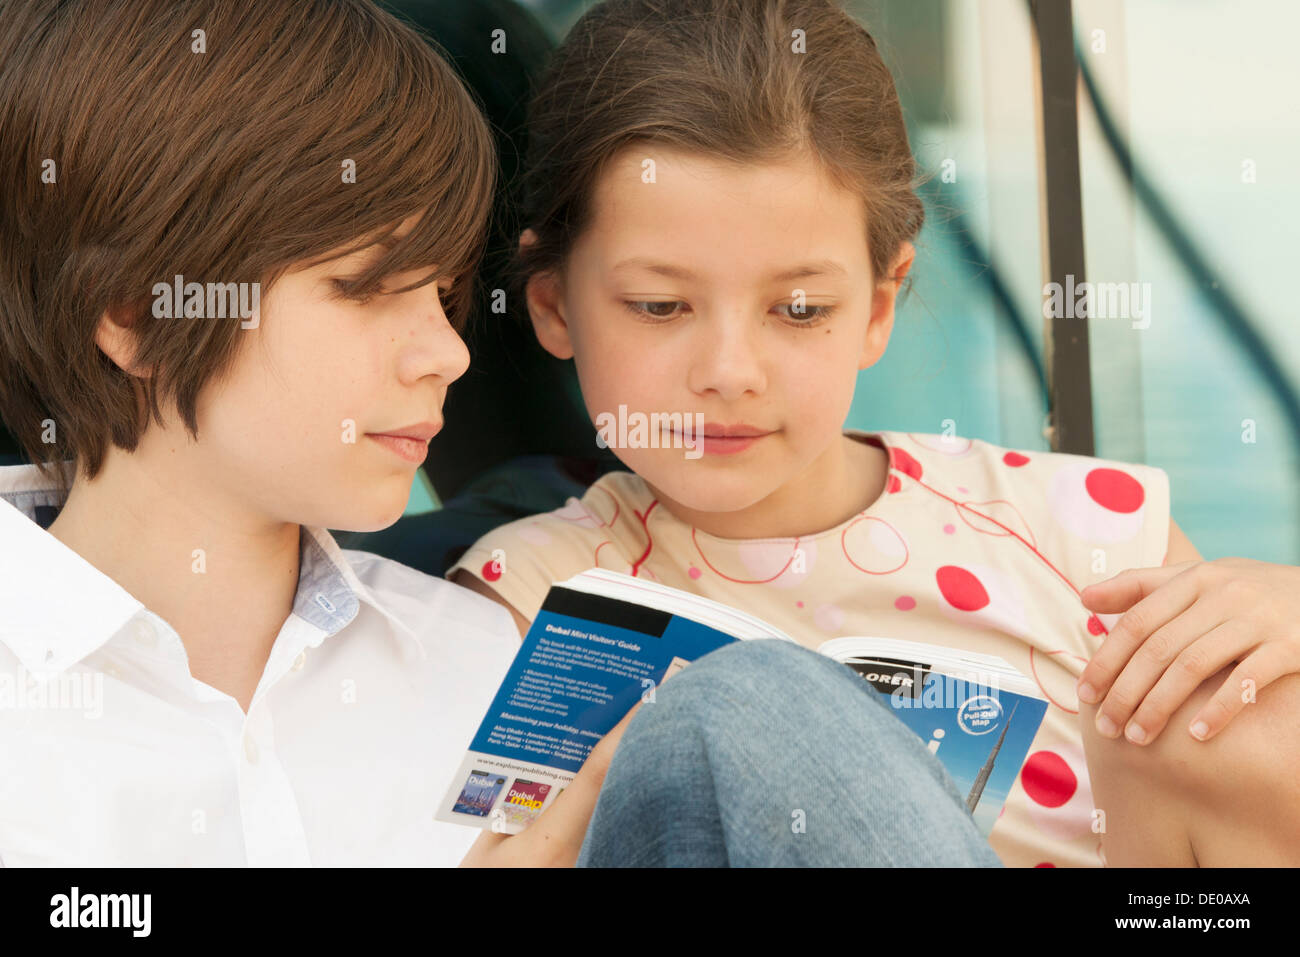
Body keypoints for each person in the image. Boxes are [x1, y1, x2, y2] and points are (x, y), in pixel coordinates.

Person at [0, 0, 1001, 868]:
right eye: (365, 290)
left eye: (440, 295)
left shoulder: (507, 667)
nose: (447, 353)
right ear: (138, 314)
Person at [449, 0, 1300, 867]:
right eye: (661, 306)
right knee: (756, 705)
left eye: (800, 309)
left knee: (1253, 692)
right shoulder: (528, 602)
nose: (731, 370)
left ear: (877, 307)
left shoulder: (1082, 536)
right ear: (553, 305)